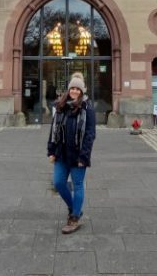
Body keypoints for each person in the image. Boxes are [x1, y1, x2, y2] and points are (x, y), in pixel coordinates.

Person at [47, 71, 96, 234]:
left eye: (77, 89)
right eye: (72, 88)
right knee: (58, 182)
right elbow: (53, 129)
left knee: (78, 185)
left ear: (82, 91)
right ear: (69, 90)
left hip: (77, 154)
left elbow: (90, 134)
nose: (74, 91)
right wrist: (51, 151)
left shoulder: (87, 108)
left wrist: (84, 156)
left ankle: (74, 218)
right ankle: (74, 207)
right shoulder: (61, 105)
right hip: (61, 153)